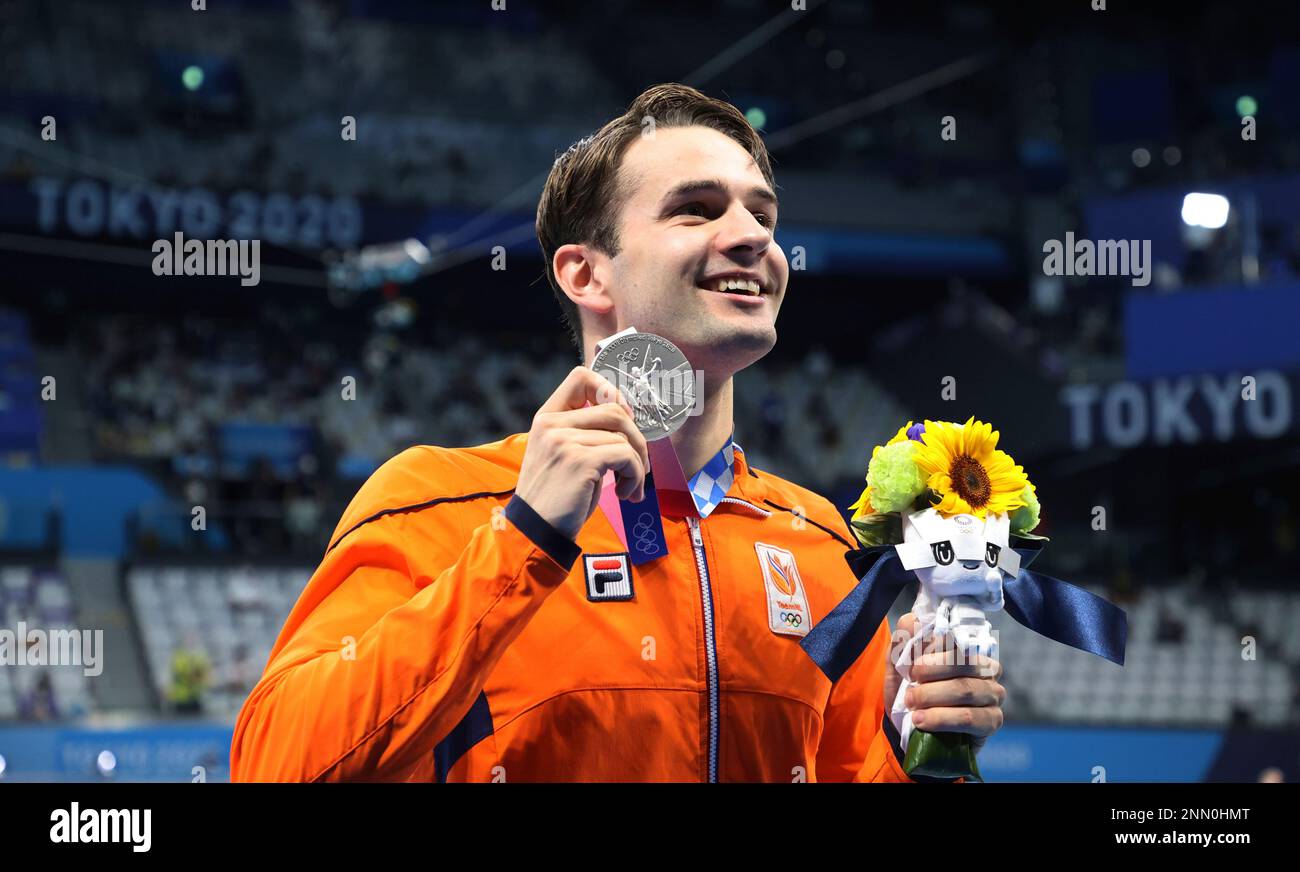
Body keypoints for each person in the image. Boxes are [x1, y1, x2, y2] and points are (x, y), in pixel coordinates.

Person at [230, 83, 1005, 782]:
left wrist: (909, 750)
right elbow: (274, 765)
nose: (753, 238)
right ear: (585, 274)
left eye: (762, 214)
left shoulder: (820, 542)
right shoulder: (435, 501)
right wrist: (524, 537)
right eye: (696, 209)